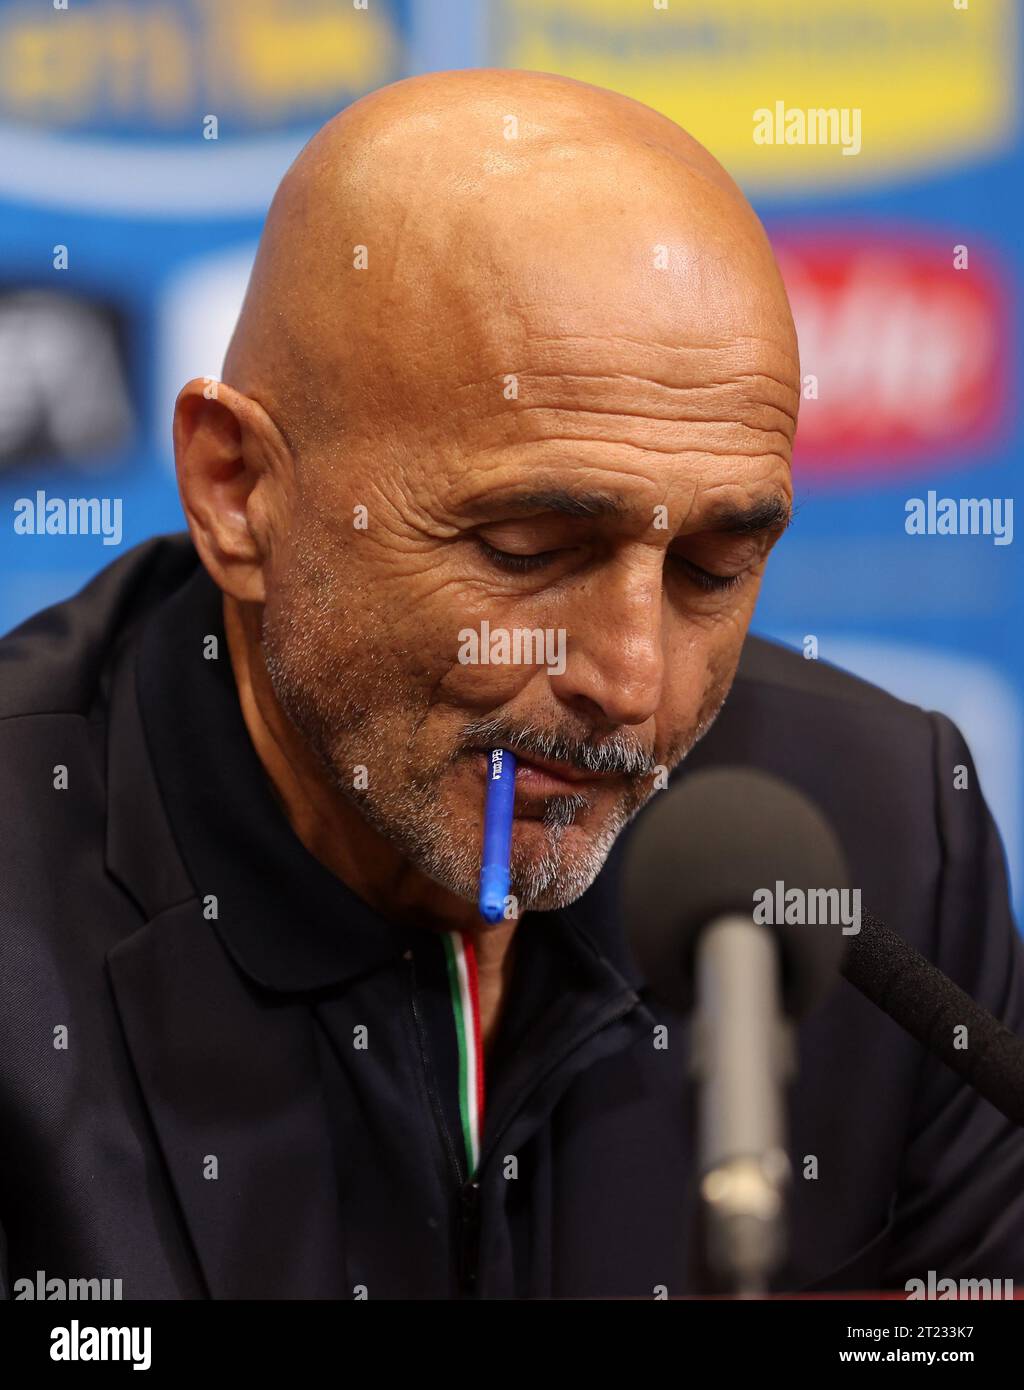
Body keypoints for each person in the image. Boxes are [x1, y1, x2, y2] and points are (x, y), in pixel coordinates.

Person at [1, 69, 1022, 1299]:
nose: (631, 681)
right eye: (528, 552)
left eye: (710, 568)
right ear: (237, 489)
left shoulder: (886, 840)